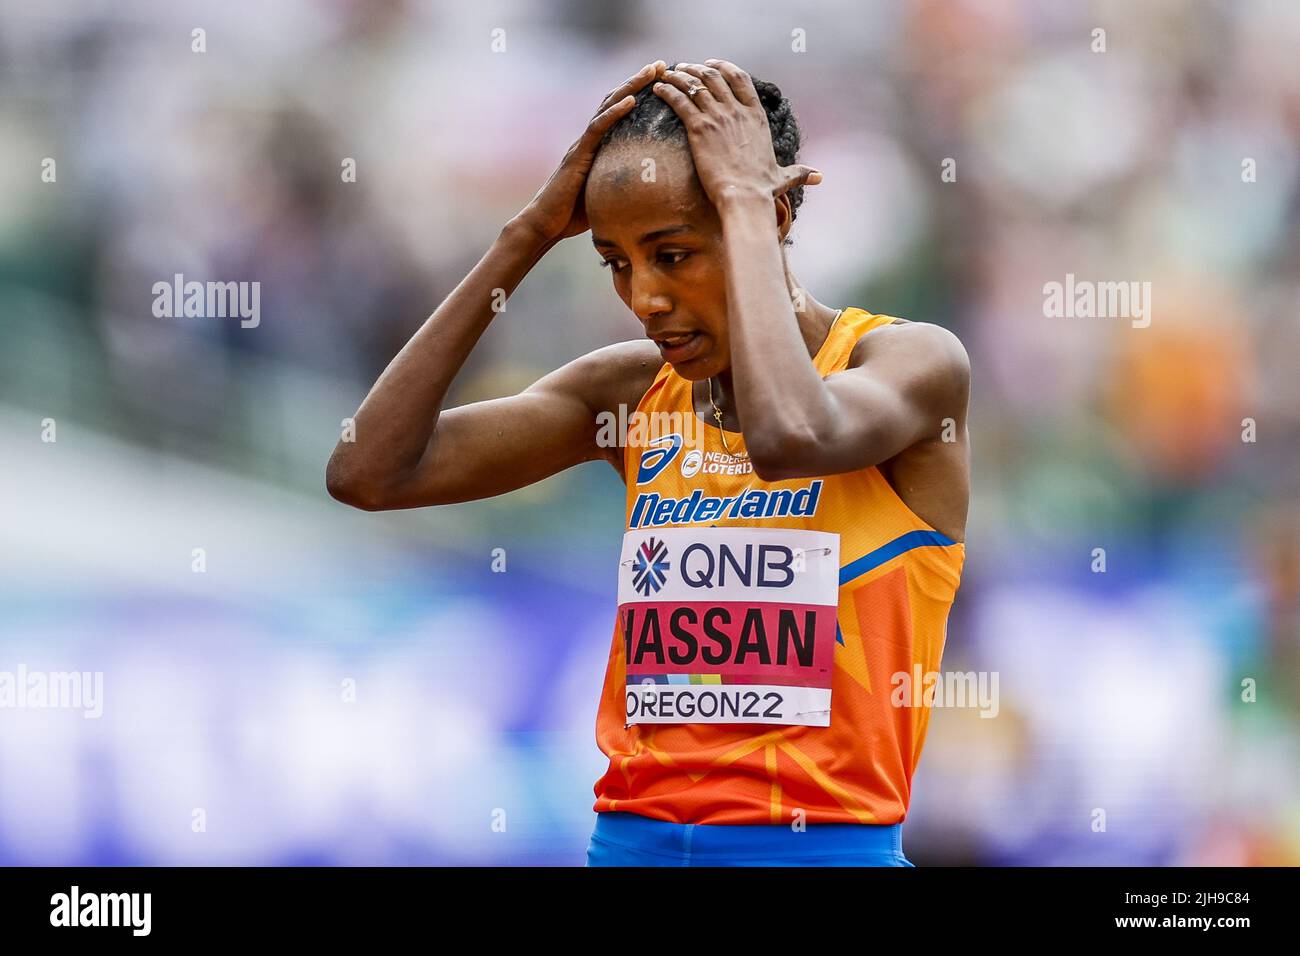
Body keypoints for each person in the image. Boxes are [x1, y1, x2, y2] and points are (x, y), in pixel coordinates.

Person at [326, 59, 970, 866]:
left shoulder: (912, 366)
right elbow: (367, 472)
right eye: (616, 260)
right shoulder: (628, 395)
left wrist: (741, 202)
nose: (644, 298)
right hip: (632, 845)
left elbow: (789, 440)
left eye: (672, 254)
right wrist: (523, 236)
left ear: (771, 214)